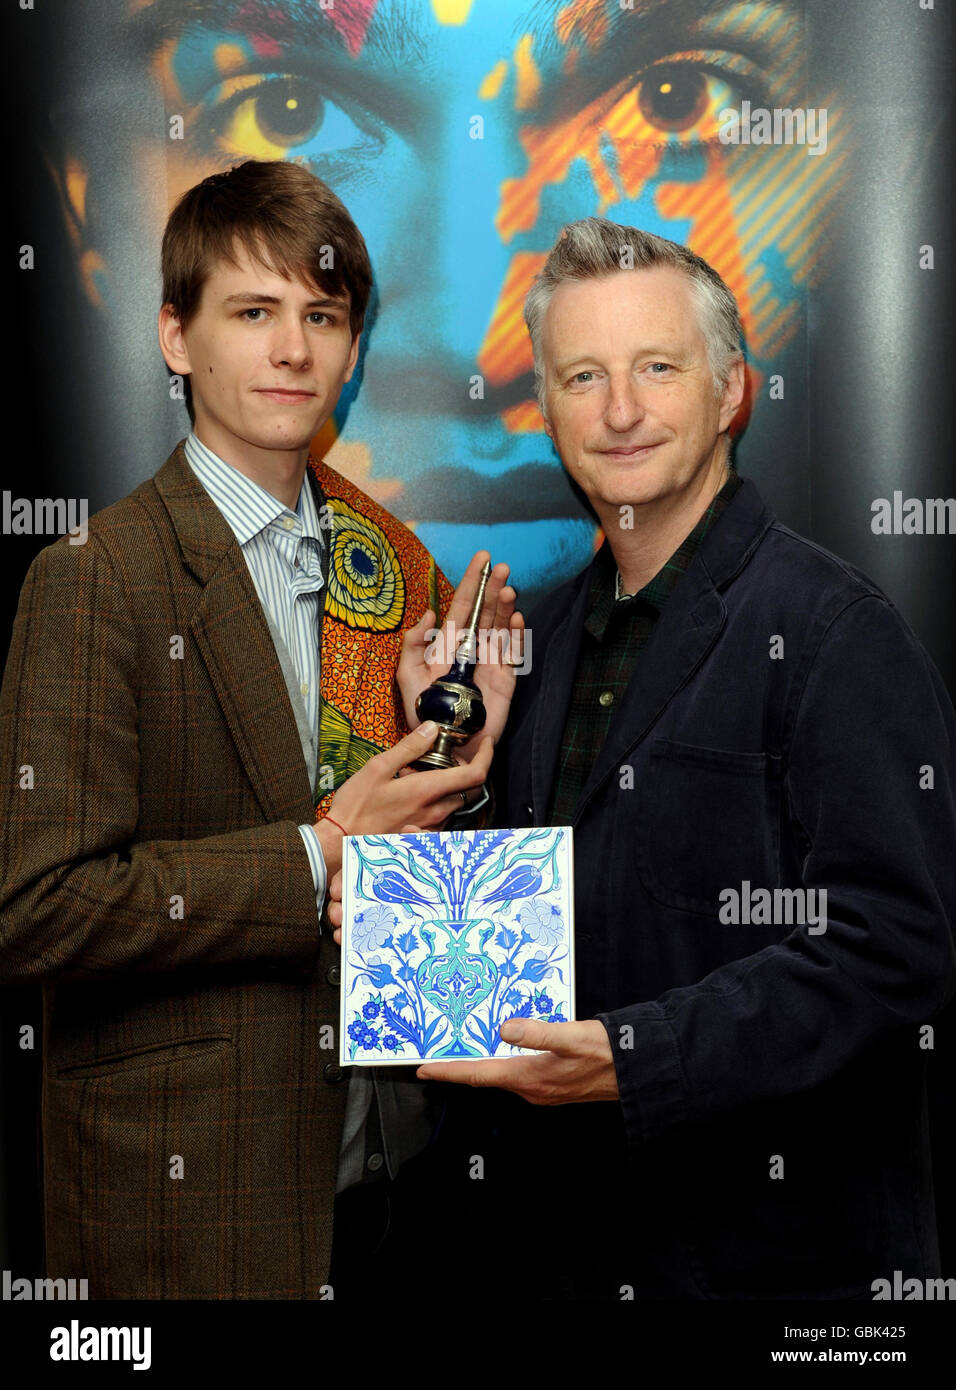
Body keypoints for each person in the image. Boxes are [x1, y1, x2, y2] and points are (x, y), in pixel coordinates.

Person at [383, 218, 956, 1299]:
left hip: (763, 1268)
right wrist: (452, 745)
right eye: (582, 376)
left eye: (656, 367)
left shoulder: (833, 631)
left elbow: (896, 949)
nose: (619, 410)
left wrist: (636, 1061)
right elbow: (473, 983)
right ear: (545, 410)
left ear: (731, 390)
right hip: (539, 1254)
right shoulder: (534, 643)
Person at [0, 158, 522, 1299]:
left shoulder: (394, 568)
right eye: (254, 312)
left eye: (322, 316)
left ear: (351, 346)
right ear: (175, 337)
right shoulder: (96, 580)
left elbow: (439, 924)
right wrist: (318, 851)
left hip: (398, 1174)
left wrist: (465, 762)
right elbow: (42, 913)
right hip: (199, 1200)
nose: (294, 350)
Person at [30, 0, 845, 602]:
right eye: (290, 112)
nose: (476, 348)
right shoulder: (101, 590)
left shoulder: (824, 647)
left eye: (674, 96)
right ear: (85, 214)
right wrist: (328, 844)